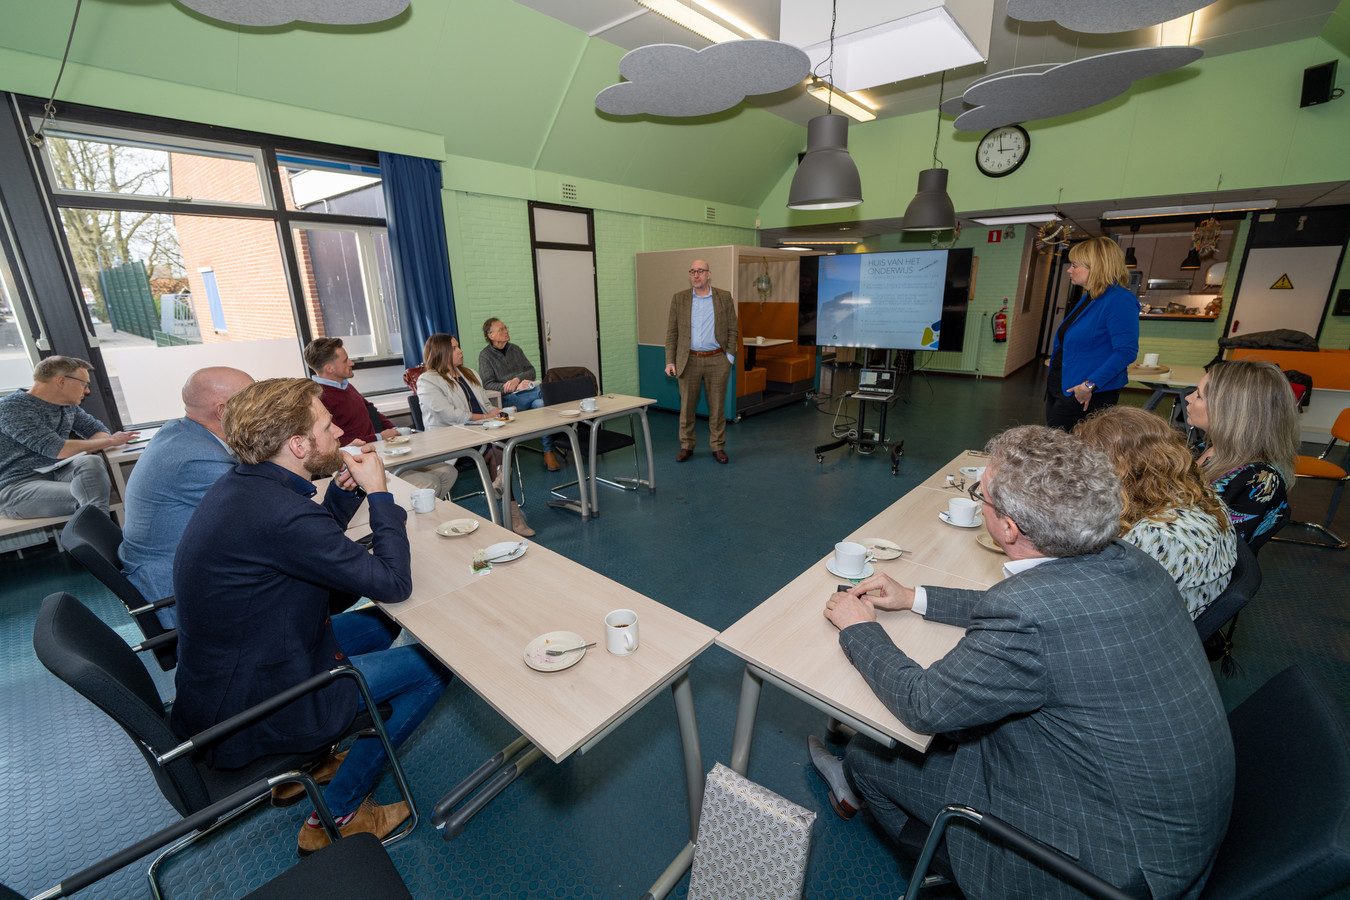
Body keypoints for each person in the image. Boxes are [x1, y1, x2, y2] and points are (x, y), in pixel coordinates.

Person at [808, 425, 1233, 900]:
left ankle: (959, 872)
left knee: (868, 756)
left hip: (1104, 869)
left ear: (1008, 527)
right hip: (1170, 831)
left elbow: (923, 703)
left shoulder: (1029, 615)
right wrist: (915, 597)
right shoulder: (1134, 562)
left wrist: (858, 628)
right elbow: (1037, 606)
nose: (978, 499)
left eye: (980, 494)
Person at [171, 378, 450, 855]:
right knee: (436, 666)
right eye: (326, 425)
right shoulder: (279, 513)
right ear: (298, 444)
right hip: (263, 702)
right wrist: (380, 495)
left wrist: (342, 497)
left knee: (383, 623)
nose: (339, 431)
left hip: (242, 668)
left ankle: (320, 760)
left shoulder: (248, 487)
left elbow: (301, 544)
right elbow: (393, 584)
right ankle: (338, 814)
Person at [119, 366, 254, 626]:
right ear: (223, 411)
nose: (262, 407)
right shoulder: (198, 458)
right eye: (254, 400)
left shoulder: (182, 432)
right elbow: (267, 512)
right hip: (186, 594)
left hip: (182, 566)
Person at [1075, 405, 1236, 619]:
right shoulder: (1198, 494)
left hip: (1146, 629)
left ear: (1119, 469)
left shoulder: (1157, 535)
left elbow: (1097, 605)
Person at [305, 336, 456, 499]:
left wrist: (395, 430)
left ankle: (418, 516)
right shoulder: (319, 397)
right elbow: (334, 442)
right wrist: (378, 436)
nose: (352, 363)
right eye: (346, 360)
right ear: (330, 368)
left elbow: (372, 412)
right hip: (359, 467)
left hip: (380, 454)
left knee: (447, 472)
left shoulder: (345, 386)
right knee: (430, 483)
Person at [416, 333, 533, 537]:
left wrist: (498, 413)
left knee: (507, 439)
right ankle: (512, 513)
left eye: (458, 347)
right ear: (441, 353)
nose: (460, 351)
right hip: (451, 439)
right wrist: (486, 417)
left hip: (480, 432)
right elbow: (450, 415)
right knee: (499, 448)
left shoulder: (469, 373)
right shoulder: (428, 380)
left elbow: (487, 405)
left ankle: (503, 489)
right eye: (454, 348)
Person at [0, 356, 137, 519]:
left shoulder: (68, 406)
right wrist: (109, 441)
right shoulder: (12, 408)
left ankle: (101, 538)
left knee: (91, 462)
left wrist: (93, 445)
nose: (87, 391)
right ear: (61, 381)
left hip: (57, 472)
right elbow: (57, 449)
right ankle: (106, 538)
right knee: (93, 496)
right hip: (19, 486)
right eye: (84, 384)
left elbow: (98, 430)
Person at [1185, 358, 1300, 551]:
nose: (1188, 397)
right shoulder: (1206, 447)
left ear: (1229, 411)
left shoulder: (1258, 482)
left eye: (1199, 396)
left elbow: (1219, 550)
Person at [1045, 236, 1139, 431]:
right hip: (1064, 386)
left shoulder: (1119, 299)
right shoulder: (1091, 297)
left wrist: (1089, 385)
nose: (1069, 270)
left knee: (1074, 452)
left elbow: (1126, 351)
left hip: (1087, 393)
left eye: (1074, 265)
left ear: (1095, 266)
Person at [664, 259, 738, 463]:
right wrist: (670, 361)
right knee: (686, 408)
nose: (696, 275)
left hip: (717, 360)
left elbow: (733, 328)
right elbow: (672, 333)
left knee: (716, 408)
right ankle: (686, 445)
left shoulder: (724, 297)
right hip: (689, 361)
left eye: (700, 271)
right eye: (692, 271)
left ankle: (718, 446)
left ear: (709, 274)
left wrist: (728, 358)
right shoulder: (680, 299)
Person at [478, 318, 560, 471]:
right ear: (491, 336)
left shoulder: (515, 349)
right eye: (501, 329)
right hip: (507, 402)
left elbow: (531, 370)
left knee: (540, 404)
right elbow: (487, 384)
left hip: (527, 395)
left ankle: (548, 452)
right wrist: (508, 386)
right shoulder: (485, 356)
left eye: (505, 328)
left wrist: (517, 379)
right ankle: (556, 401)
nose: (506, 331)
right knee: (542, 392)